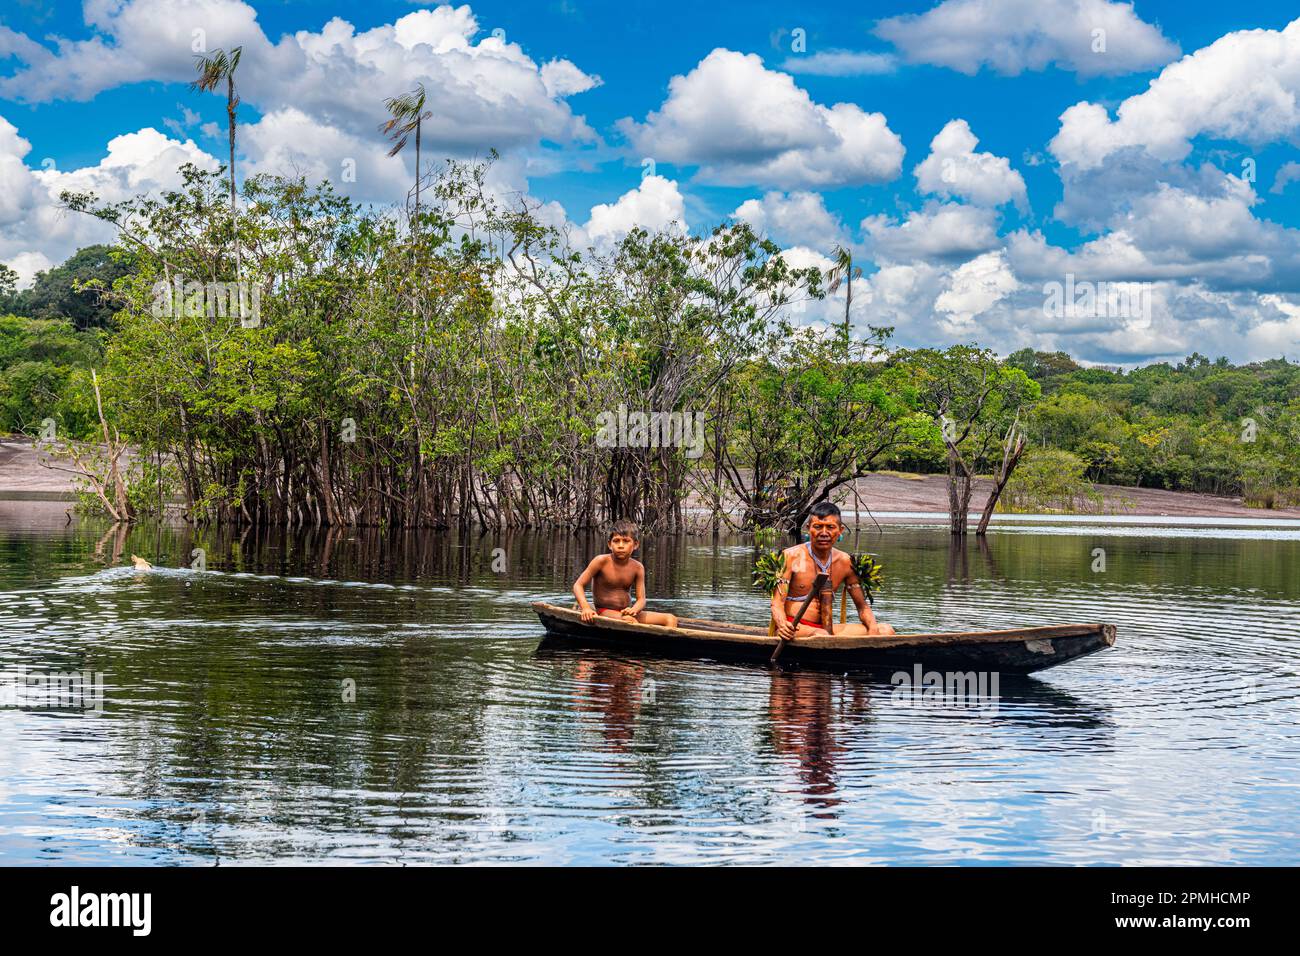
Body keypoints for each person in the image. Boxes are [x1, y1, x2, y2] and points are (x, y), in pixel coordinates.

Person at [771, 501, 895, 641]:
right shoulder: (790, 557)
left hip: (826, 629)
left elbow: (862, 607)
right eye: (818, 527)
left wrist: (873, 631)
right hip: (795, 627)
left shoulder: (846, 562)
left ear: (840, 530)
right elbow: (777, 603)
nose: (824, 533)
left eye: (830, 527)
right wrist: (783, 626)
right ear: (808, 528)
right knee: (822, 636)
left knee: (885, 630)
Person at [572, 520, 679, 628]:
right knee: (629, 620)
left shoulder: (637, 567)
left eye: (626, 541)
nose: (621, 545)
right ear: (610, 544)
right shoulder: (601, 561)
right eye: (616, 541)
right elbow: (578, 585)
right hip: (604, 611)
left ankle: (665, 643)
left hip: (627, 612)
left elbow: (641, 599)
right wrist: (585, 607)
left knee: (670, 619)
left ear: (635, 544)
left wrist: (634, 609)